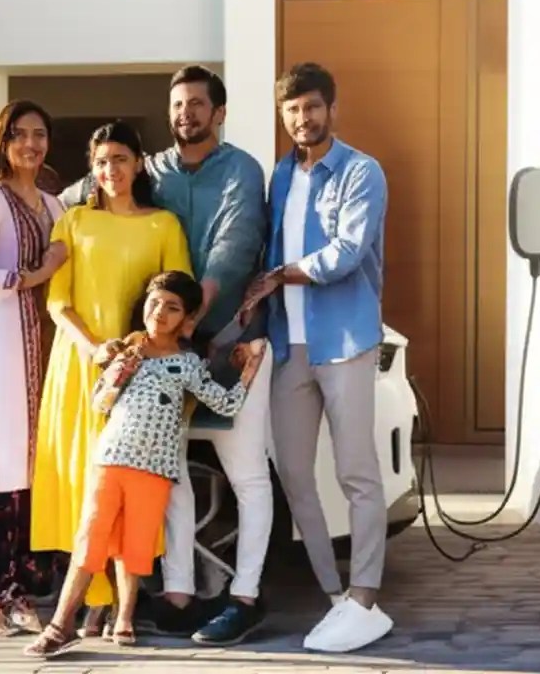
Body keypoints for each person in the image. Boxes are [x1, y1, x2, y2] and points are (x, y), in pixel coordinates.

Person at [60, 65, 274, 646]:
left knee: (247, 475)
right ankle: (178, 596)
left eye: (198, 104)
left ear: (219, 113)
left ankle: (246, 596)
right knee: (170, 475)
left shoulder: (242, 171)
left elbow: (233, 247)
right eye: (178, 104)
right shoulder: (152, 166)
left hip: (229, 339)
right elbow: (89, 190)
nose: (186, 113)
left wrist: (190, 315)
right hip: (167, 351)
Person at [23, 271, 265, 659]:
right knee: (90, 537)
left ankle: (125, 617)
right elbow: (100, 403)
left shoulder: (188, 364)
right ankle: (61, 625)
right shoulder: (126, 350)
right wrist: (119, 370)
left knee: (135, 545)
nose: (161, 312)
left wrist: (247, 369)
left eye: (173, 308)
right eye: (155, 303)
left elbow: (226, 404)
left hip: (155, 469)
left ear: (187, 319)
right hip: (112, 459)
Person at [237, 61, 393, 653]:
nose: (302, 119)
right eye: (292, 110)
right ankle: (334, 597)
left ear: (331, 108)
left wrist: (280, 276)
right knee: (295, 473)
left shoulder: (361, 171)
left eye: (311, 107)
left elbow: (348, 253)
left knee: (356, 472)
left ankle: (366, 596)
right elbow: (271, 245)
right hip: (289, 347)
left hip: (344, 340)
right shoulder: (281, 174)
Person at [29, 120, 192, 638]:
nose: (110, 170)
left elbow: (180, 301)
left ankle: (111, 606)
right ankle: (87, 597)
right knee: (86, 483)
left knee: (127, 486)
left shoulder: (163, 224)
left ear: (138, 163)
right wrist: (93, 347)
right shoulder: (74, 221)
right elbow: (57, 301)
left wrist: (139, 353)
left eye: (120, 159)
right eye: (100, 162)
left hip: (138, 377)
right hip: (79, 366)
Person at [0, 99, 67, 637]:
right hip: (3, 353)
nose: (31, 144)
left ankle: (21, 590)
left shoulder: (52, 203)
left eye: (40, 134)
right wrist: (34, 273)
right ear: (2, 141)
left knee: (32, 478)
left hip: (45, 355)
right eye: (20, 134)